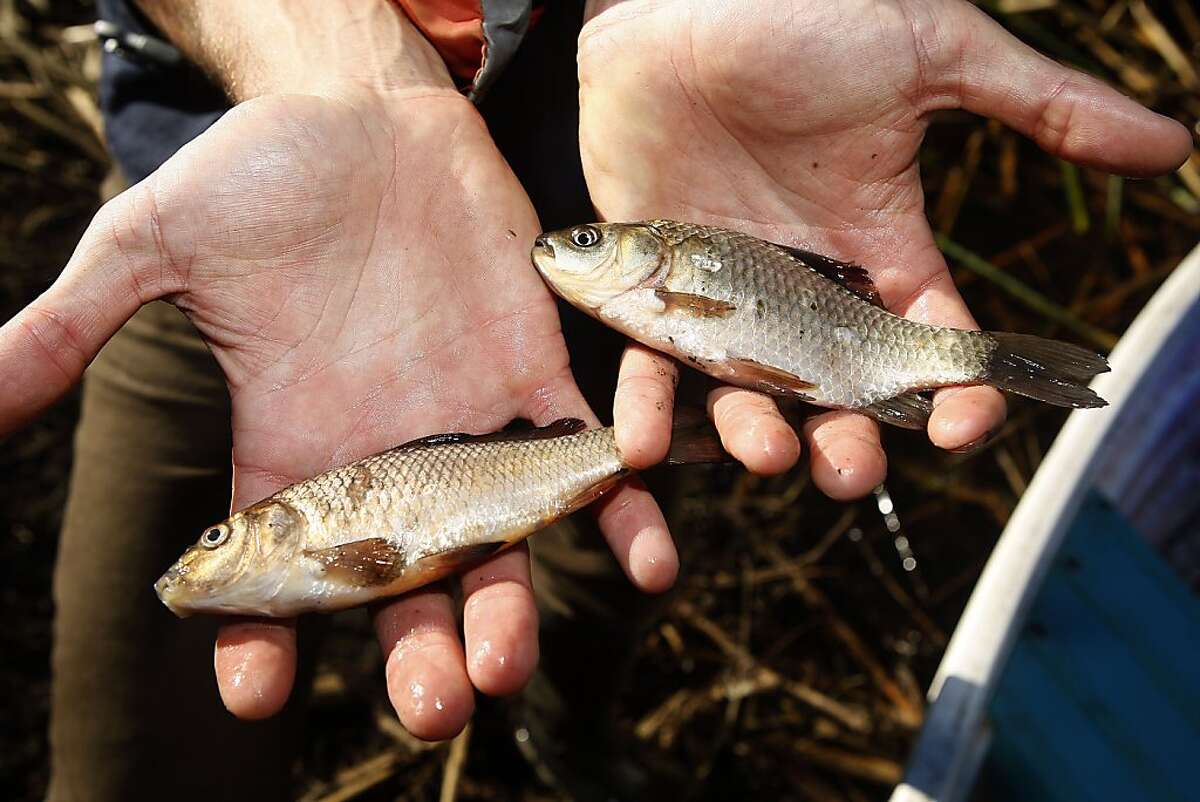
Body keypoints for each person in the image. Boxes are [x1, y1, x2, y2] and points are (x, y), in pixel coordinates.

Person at [0, 0, 1187, 799]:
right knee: (139, 730)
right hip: (251, 190)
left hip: (629, 131)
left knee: (614, 549)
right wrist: (349, 70)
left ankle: (560, 750)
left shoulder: (639, 226)